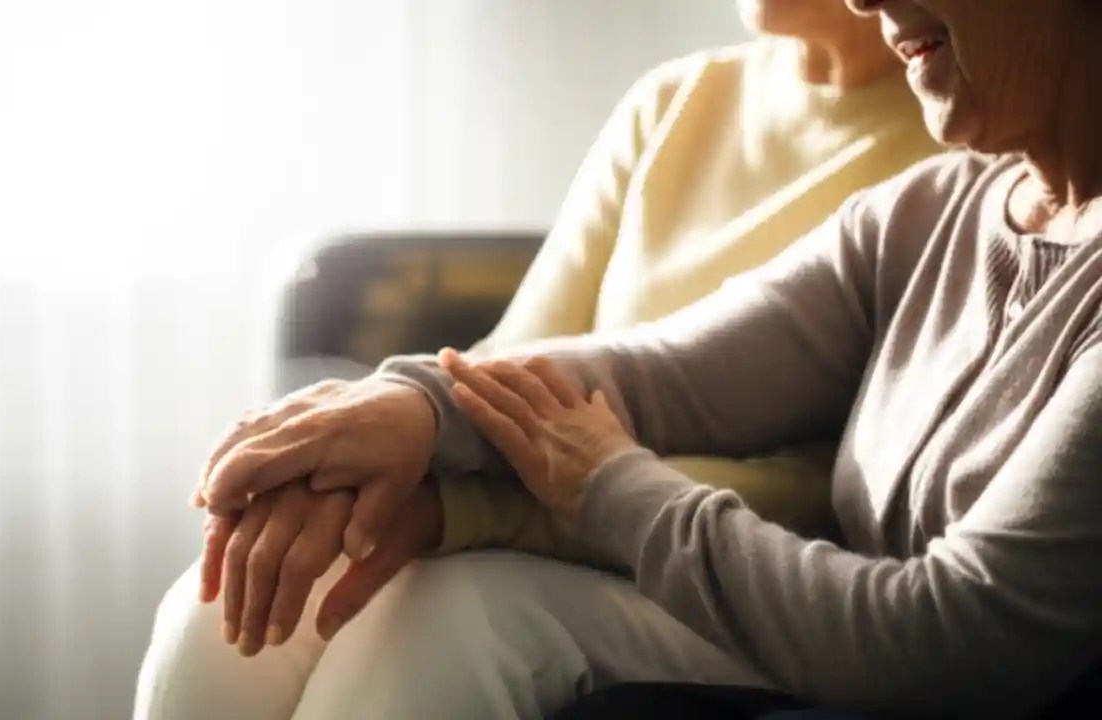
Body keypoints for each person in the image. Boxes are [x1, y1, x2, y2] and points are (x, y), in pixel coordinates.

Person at [133, 2, 961, 719]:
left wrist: (465, 511)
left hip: (747, 586)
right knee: (227, 607)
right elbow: (509, 368)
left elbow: (832, 497)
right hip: (573, 524)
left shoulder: (959, 149)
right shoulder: (676, 101)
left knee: (454, 625)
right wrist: (366, 467)